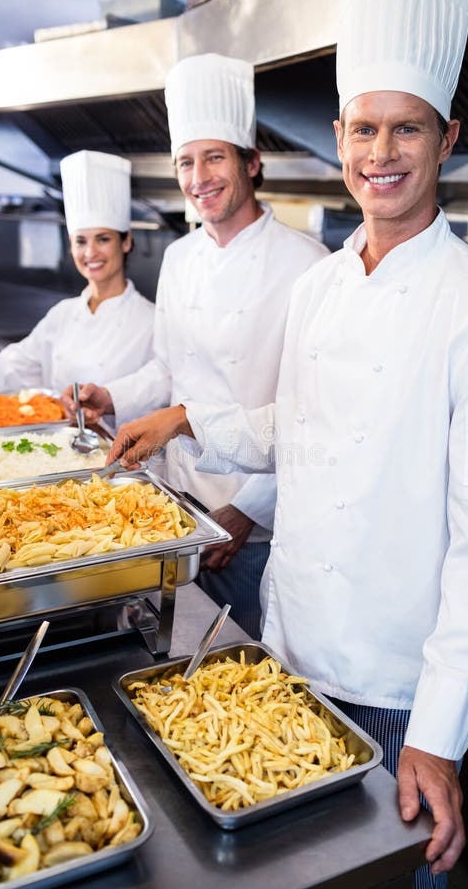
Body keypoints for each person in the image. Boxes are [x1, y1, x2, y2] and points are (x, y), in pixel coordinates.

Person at [103, 0, 468, 889]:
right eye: (364, 129)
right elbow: (290, 432)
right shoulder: (322, 289)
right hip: (290, 650)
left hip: (395, 676)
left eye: (405, 131)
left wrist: (441, 742)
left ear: (446, 139)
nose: (381, 155)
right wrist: (182, 419)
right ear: (337, 137)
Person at [61, 54, 329, 639]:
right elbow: (168, 368)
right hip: (176, 503)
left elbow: (312, 415)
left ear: (251, 163)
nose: (198, 176)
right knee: (170, 663)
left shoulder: (308, 265)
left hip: (253, 527)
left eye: (215, 157)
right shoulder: (180, 258)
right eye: (186, 161)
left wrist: (245, 514)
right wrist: (113, 395)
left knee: (244, 676)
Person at [0, 150, 154, 399]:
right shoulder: (63, 315)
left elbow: (158, 395)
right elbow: (14, 372)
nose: (90, 252)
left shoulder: (150, 321)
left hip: (121, 439)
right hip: (59, 438)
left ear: (126, 242)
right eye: (80, 241)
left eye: (103, 239)